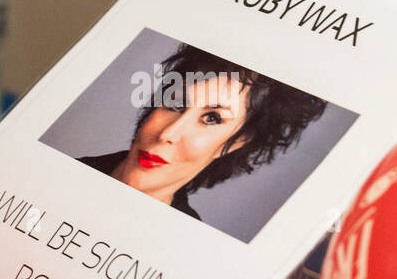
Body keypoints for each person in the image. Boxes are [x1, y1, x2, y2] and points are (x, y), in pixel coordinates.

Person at [79, 43, 327, 222]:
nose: (169, 133)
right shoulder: (63, 167)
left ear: (239, 141)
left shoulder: (186, 249)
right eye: (175, 104)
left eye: (211, 118)